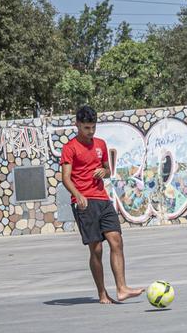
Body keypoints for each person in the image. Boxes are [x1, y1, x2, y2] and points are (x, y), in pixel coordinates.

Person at [61, 105, 143, 304]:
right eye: (86, 128)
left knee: (116, 240)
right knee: (96, 249)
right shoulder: (69, 148)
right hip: (84, 203)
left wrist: (104, 173)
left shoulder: (100, 144)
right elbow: (65, 178)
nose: (90, 132)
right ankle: (101, 293)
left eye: (93, 127)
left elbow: (108, 170)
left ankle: (122, 288)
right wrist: (77, 195)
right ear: (77, 125)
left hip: (103, 199)